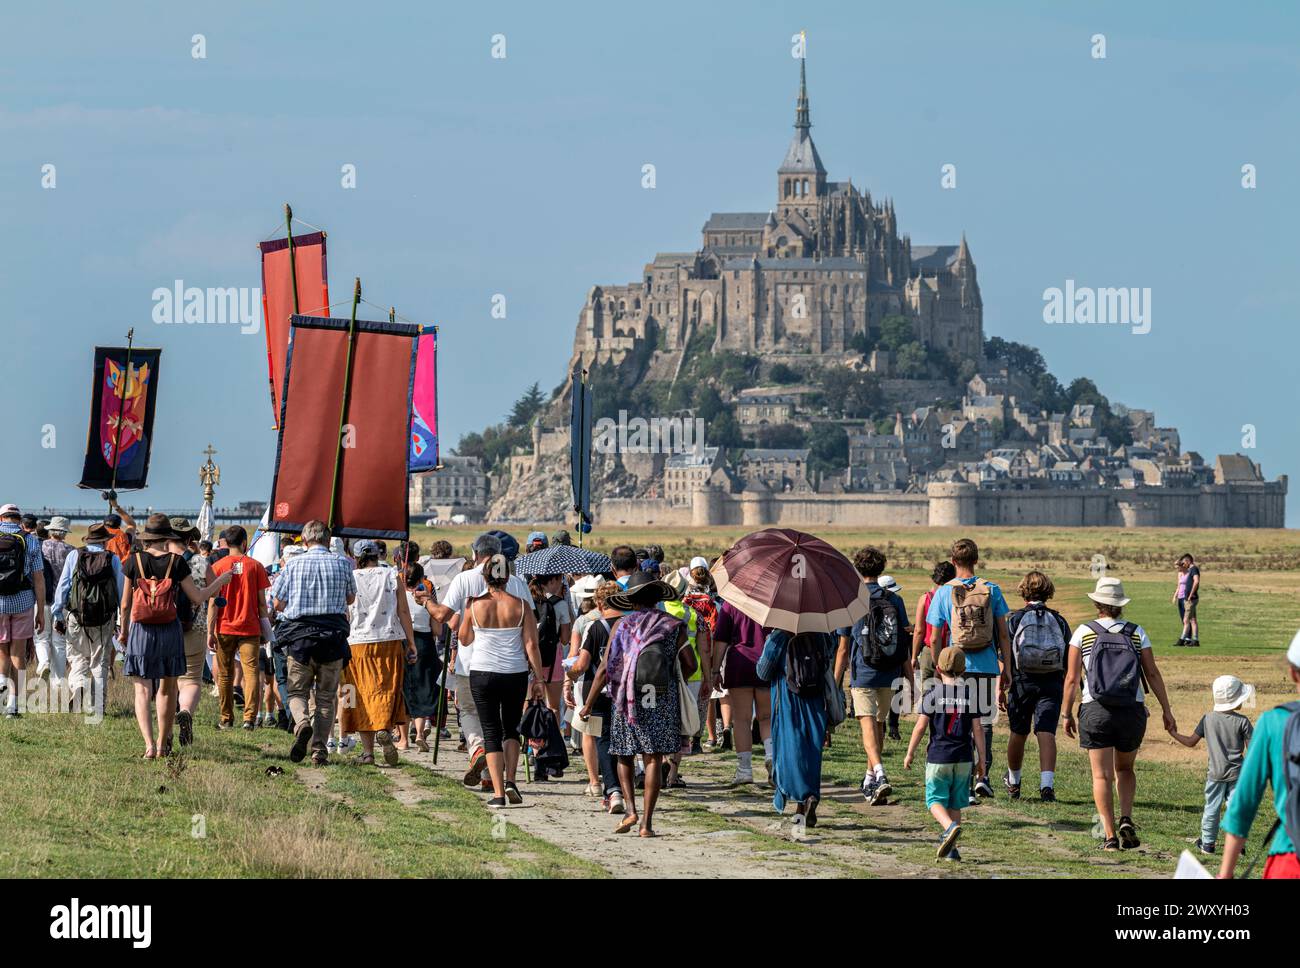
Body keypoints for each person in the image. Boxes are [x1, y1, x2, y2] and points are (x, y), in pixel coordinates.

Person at [1062, 576, 1177, 850]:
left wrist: (1066, 713)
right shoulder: (1137, 632)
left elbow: (1071, 678)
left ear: (1097, 602)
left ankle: (1110, 835)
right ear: (1121, 604)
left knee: (1100, 776)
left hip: (1095, 709)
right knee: (1125, 768)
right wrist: (1166, 709)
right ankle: (1126, 817)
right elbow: (1152, 672)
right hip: (1131, 710)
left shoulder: (1083, 632)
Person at [580, 571, 694, 836]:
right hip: (660, 697)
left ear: (631, 600)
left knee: (624, 753)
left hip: (625, 698)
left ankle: (630, 810)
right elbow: (690, 664)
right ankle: (647, 824)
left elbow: (604, 670)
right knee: (653, 757)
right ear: (657, 599)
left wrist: (588, 704)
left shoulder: (622, 626)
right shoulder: (673, 626)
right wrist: (675, 683)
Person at [118, 514, 231, 757]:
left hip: (141, 629)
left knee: (142, 689)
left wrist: (124, 632)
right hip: (170, 628)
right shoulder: (176, 563)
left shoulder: (133, 561)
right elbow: (197, 598)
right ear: (166, 537)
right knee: (168, 689)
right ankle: (162, 743)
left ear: (147, 537)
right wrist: (220, 581)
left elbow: (125, 604)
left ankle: (148, 745)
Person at [426, 533, 531, 789]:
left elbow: (443, 616)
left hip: (472, 664)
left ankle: (477, 749)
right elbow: (530, 630)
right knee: (506, 725)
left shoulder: (464, 579)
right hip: (512, 665)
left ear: (475, 553)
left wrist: (426, 602)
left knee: (472, 712)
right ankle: (500, 780)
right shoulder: (516, 583)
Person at [925, 538, 1011, 803]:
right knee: (983, 723)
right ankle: (982, 776)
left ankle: (963, 782)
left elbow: (935, 636)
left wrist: (940, 665)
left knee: (960, 724)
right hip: (985, 664)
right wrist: (1005, 667)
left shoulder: (943, 592)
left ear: (953, 562)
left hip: (956, 665)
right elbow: (1003, 635)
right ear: (976, 560)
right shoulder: (992, 589)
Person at [456, 553, 545, 808]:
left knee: (491, 732)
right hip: (514, 672)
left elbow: (464, 639)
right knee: (511, 728)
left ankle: (497, 794)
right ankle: (511, 781)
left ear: (485, 576)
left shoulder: (474, 604)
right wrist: (538, 678)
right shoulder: (521, 605)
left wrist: (469, 617)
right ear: (508, 577)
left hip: (482, 672)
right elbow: (531, 645)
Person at [1217, 631, 1300, 879]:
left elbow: (1244, 803)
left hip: (1290, 858)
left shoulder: (1275, 722)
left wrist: (1226, 873)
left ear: (1293, 672)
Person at [272, 520, 356, 765]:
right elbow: (350, 598)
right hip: (332, 639)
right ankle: (319, 749)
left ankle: (302, 723)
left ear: (304, 539)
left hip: (300, 640)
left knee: (297, 690)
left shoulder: (293, 564)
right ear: (329, 540)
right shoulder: (342, 563)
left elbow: (277, 603)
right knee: (326, 697)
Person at [836, 546, 911, 805]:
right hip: (889, 672)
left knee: (867, 723)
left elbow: (843, 649)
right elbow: (903, 643)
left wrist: (836, 683)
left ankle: (879, 773)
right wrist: (910, 678)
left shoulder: (850, 600)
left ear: (857, 569)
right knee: (879, 725)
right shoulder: (895, 600)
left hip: (863, 671)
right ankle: (869, 778)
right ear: (881, 569)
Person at [903, 646, 987, 862]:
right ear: (964, 669)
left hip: (939, 756)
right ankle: (952, 850)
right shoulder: (971, 694)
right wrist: (982, 761)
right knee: (955, 803)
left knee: (933, 800)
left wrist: (910, 752)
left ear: (938, 669)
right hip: (964, 758)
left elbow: (921, 726)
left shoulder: (933, 693)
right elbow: (978, 729)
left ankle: (949, 828)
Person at [342, 540, 417, 765]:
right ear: (377, 555)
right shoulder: (392, 576)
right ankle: (384, 727)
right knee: (387, 689)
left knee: (360, 694)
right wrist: (411, 642)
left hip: (357, 642)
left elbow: (345, 611)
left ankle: (368, 753)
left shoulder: (351, 577)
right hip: (389, 639)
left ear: (356, 557)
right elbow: (404, 610)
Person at [1003, 571, 1071, 802]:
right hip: (1052, 681)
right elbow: (1068, 656)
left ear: (1024, 591)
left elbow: (1006, 653)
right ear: (1048, 592)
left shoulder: (1014, 618)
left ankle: (1014, 782)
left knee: (1018, 733)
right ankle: (1046, 786)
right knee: (1046, 733)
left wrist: (1004, 681)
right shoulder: (1059, 620)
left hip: (1021, 681)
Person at [757, 628, 835, 827]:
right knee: (811, 753)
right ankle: (806, 801)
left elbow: (763, 672)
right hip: (816, 702)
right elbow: (827, 662)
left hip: (787, 701)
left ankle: (804, 798)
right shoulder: (822, 636)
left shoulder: (779, 637)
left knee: (791, 752)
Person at [1169, 674, 1254, 855]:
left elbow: (1191, 741)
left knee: (1211, 809)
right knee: (1236, 809)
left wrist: (1173, 733)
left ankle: (1208, 844)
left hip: (1215, 773)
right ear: (1235, 700)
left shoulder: (1207, 719)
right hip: (1238, 774)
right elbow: (1252, 750)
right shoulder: (1243, 721)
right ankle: (1238, 846)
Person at [51, 522, 123, 717]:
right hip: (104, 619)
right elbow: (120, 591)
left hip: (76, 616)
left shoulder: (74, 555)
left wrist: (58, 615)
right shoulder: (113, 559)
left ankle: (79, 685)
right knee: (99, 662)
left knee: (77, 658)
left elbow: (63, 586)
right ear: (105, 542)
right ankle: (98, 706)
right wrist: (121, 620)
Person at [568, 580, 626, 814]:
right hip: (625, 691)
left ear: (600, 603)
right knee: (622, 741)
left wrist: (568, 672)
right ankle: (624, 788)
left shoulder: (596, 628)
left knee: (602, 740)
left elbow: (581, 665)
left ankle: (612, 790)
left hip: (598, 690)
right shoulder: (629, 625)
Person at [207, 525, 272, 730]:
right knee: (251, 672)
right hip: (250, 627)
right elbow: (262, 603)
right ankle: (249, 718)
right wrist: (266, 629)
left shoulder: (217, 566)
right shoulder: (256, 566)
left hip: (224, 626)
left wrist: (210, 631)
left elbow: (212, 602)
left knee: (225, 674)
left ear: (226, 543)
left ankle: (226, 718)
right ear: (244, 542)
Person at [167, 518, 215, 744]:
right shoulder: (200, 562)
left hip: (163, 627)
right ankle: (185, 710)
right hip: (194, 627)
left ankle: (165, 732)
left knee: (167, 681)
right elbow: (215, 590)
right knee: (192, 679)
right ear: (189, 539)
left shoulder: (157, 561)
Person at [0, 503, 45, 718]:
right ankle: (13, 705)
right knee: (18, 654)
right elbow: (38, 579)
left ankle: (1, 683)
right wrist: (41, 612)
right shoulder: (31, 540)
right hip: (23, 601)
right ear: (19, 520)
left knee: (2, 650)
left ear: (1, 519)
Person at [402, 560, 445, 753]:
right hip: (425, 643)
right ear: (421, 579)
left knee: (404, 689)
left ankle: (403, 739)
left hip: (403, 642)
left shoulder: (399, 597)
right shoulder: (426, 599)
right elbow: (437, 629)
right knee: (422, 688)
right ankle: (419, 733)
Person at [529, 573, 572, 738]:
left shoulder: (528, 601)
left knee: (532, 703)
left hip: (531, 659)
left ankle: (532, 744)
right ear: (553, 580)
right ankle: (551, 742)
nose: (561, 584)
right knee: (553, 706)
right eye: (560, 580)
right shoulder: (560, 604)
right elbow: (565, 639)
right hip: (553, 657)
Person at [35, 516, 73, 685]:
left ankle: (43, 662)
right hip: (63, 601)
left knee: (41, 637)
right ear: (64, 532)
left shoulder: (40, 547)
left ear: (50, 530)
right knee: (59, 642)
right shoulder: (71, 551)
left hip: (42, 598)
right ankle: (58, 682)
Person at [911, 561, 955, 700]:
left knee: (928, 693)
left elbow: (919, 630)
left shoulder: (926, 598)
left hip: (930, 651)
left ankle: (930, 720)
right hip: (952, 649)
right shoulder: (957, 597)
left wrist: (913, 656)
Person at [879, 575, 912, 741]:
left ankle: (881, 725)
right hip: (896, 650)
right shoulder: (897, 600)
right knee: (896, 689)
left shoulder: (870, 600)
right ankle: (893, 727)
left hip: (877, 652)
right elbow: (905, 625)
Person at [1172, 553, 1201, 647]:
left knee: (1186, 620)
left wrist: (1190, 595)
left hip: (1190, 599)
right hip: (1187, 598)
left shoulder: (1193, 569)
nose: (1184, 564)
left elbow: (1196, 582)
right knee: (1192, 619)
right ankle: (1195, 640)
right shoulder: (1191, 569)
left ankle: (1182, 639)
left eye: (1184, 562)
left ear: (1188, 561)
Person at [102, 499, 137, 563]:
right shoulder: (125, 537)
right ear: (119, 525)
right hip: (122, 571)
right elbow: (131, 525)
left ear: (104, 525)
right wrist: (116, 507)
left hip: (102, 571)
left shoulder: (97, 536)